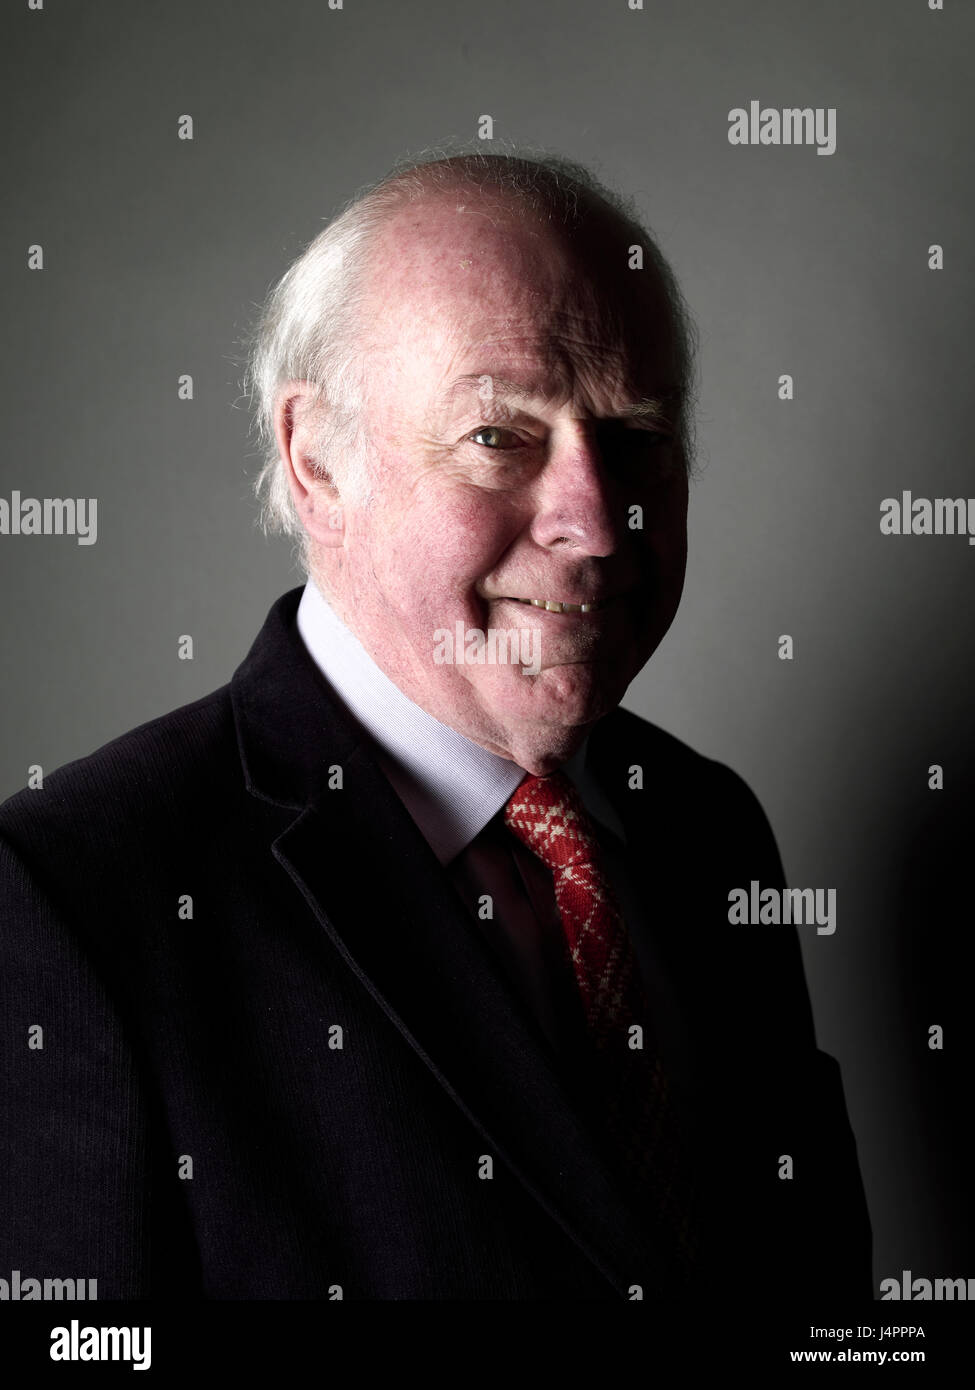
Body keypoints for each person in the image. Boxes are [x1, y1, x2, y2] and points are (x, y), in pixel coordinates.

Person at [0, 151, 871, 1300]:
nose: (598, 523)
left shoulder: (708, 825)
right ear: (317, 460)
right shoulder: (74, 900)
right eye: (501, 437)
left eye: (636, 435)